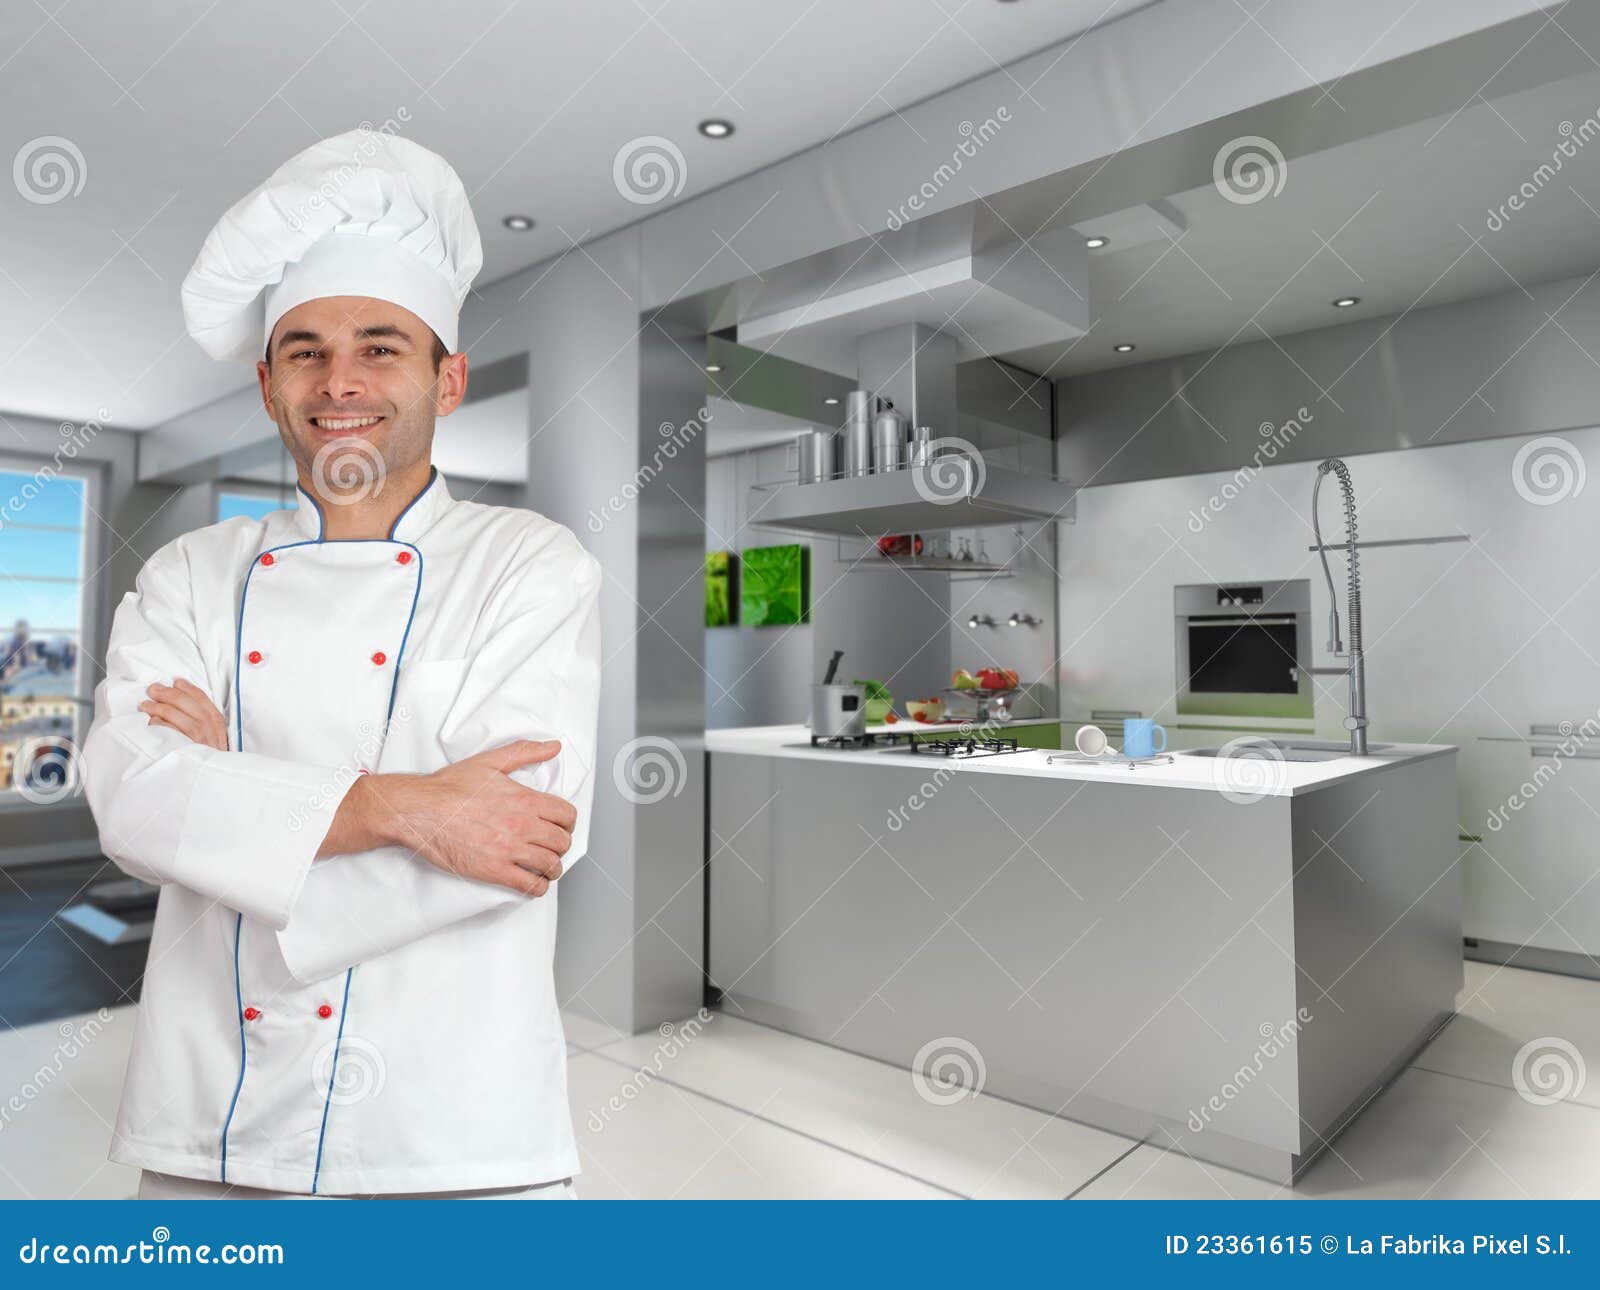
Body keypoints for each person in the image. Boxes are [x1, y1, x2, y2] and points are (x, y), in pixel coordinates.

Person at [81, 129, 601, 1200]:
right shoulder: (190, 571)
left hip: (454, 1131)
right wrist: (411, 807)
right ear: (270, 385)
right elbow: (133, 802)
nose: (340, 381)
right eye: (306, 351)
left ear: (446, 379)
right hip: (211, 1122)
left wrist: (228, 798)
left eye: (380, 344)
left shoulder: (532, 563)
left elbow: (519, 830)